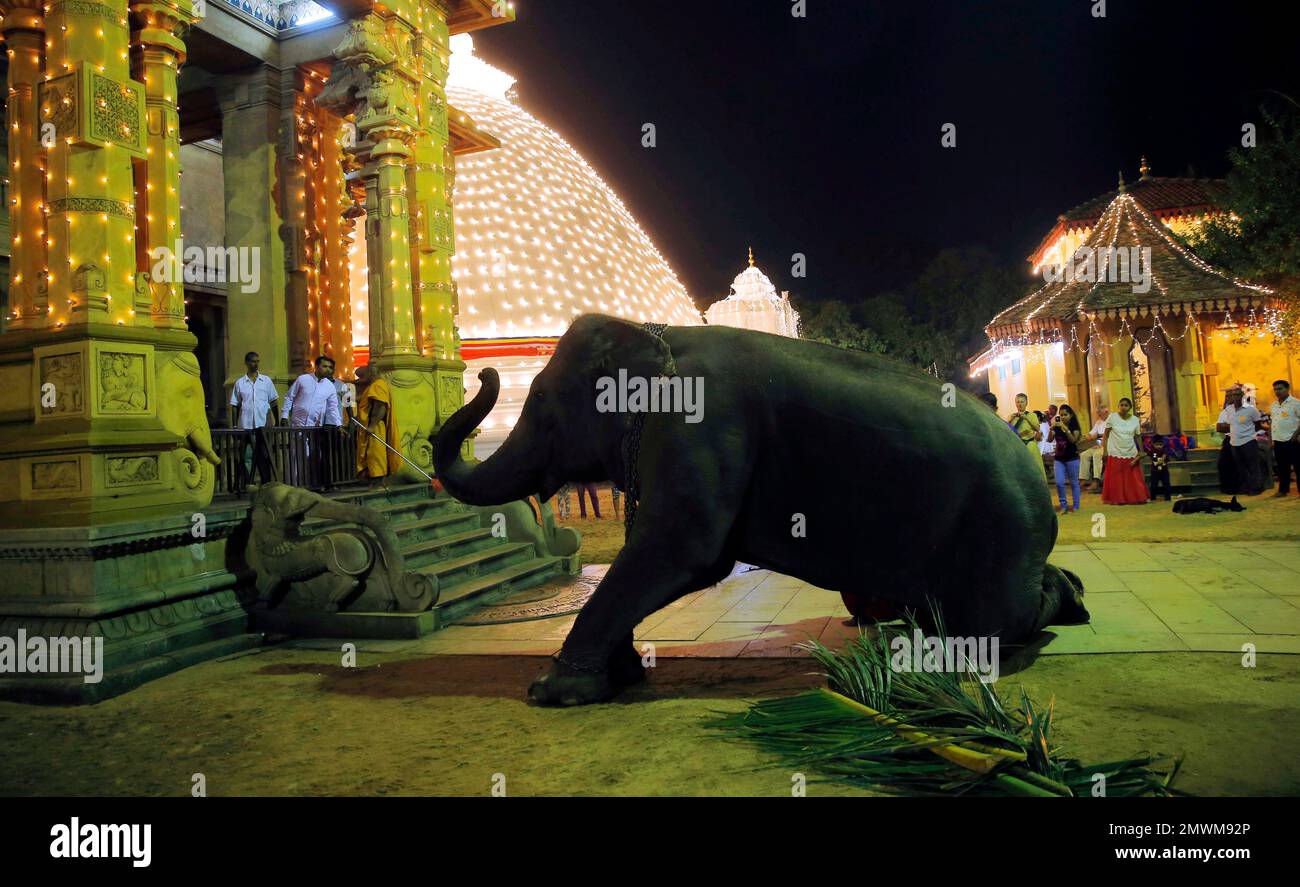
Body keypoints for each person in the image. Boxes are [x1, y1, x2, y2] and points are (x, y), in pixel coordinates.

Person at [282, 355, 345, 489]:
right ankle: (293, 485)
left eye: (330, 367)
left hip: (315, 427)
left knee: (312, 456)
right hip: (297, 424)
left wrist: (339, 424)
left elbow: (333, 408)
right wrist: (283, 416)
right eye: (324, 366)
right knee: (295, 455)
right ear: (316, 367)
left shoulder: (330, 386)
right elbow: (289, 397)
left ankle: (310, 485)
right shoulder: (303, 379)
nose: (328, 369)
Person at [228, 351, 278, 486]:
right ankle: (248, 484)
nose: (256, 364)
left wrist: (277, 422)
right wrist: (234, 426)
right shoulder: (240, 383)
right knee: (247, 457)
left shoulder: (266, 381)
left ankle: (266, 485)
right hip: (246, 426)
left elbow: (273, 402)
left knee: (264, 456)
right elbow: (234, 405)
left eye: (257, 361)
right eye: (252, 361)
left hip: (263, 426)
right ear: (246, 363)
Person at [354, 364, 401, 488]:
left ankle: (378, 483)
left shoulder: (377, 386)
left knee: (375, 453)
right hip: (375, 425)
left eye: (365, 375)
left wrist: (372, 426)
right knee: (375, 452)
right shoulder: (379, 385)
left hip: (376, 426)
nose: (364, 379)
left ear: (371, 373)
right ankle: (378, 482)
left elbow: (380, 406)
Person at [1216, 386, 1264, 495]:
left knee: (1252, 466)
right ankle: (1245, 487)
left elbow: (1257, 425)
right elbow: (1221, 426)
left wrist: (1247, 433)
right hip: (1234, 442)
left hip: (1248, 441)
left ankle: (1256, 488)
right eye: (1233, 395)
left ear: (1243, 396)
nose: (1234, 397)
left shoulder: (1251, 410)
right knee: (1241, 467)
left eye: (1237, 394)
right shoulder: (1229, 410)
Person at [1102, 397, 1148, 505]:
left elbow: (1137, 436)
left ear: (1130, 407)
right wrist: (1105, 450)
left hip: (1130, 450)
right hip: (1115, 450)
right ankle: (1117, 498)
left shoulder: (1135, 420)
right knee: (1116, 476)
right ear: (1118, 406)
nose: (1123, 407)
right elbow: (1106, 434)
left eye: (1126, 405)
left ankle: (1135, 497)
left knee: (1133, 476)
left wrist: (1141, 451)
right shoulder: (1112, 417)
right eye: (1121, 405)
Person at [1049, 404, 1083, 513]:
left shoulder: (1075, 427)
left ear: (1071, 415)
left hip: (1072, 458)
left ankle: (1076, 505)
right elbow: (1049, 439)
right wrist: (1052, 428)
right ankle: (1063, 505)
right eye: (1061, 415)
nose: (1063, 417)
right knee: (1059, 482)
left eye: (1065, 415)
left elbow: (1073, 440)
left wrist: (1066, 429)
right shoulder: (1057, 427)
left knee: (1074, 483)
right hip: (1059, 459)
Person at [1269, 379, 1299, 497]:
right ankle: (1283, 490)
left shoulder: (1296, 403)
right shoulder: (1273, 405)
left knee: (1298, 467)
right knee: (1282, 468)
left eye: (1280, 388)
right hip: (1279, 441)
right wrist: (1271, 439)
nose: (1277, 391)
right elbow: (1273, 423)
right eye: (1275, 389)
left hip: (1293, 441)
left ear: (1287, 389)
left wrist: (1296, 434)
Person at [1080, 406, 1108, 493]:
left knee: (1097, 455)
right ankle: (1083, 479)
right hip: (1099, 445)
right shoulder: (1099, 422)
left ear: (1106, 412)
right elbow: (1091, 434)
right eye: (1098, 412)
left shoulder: (1111, 421)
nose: (1098, 414)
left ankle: (1096, 480)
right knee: (1084, 454)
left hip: (1108, 446)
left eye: (1100, 412)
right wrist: (1085, 436)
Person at [1009, 394, 1042, 466]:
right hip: (1016, 445)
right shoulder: (1012, 416)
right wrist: (1010, 420)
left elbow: (1037, 429)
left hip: (1029, 444)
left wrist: (1027, 418)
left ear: (1026, 403)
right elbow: (1007, 431)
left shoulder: (1032, 415)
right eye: (1017, 402)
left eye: (1022, 402)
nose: (1020, 404)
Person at [1148, 435, 1172, 502]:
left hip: (1164, 471)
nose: (1158, 446)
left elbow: (1164, 458)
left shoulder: (1165, 451)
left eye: (1160, 445)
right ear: (1153, 444)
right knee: (1153, 485)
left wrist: (1162, 459)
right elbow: (1149, 455)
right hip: (1155, 471)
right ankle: (1153, 498)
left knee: (1166, 484)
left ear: (1163, 444)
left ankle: (1167, 498)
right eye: (1156, 445)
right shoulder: (1153, 451)